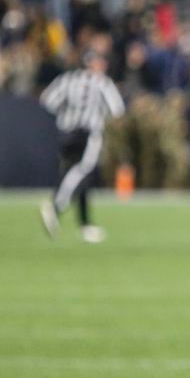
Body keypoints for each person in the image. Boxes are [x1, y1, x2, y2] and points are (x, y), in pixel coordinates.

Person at [39, 46, 126, 243]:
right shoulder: (102, 82)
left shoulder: (67, 79)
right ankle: (55, 206)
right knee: (83, 171)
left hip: (66, 133)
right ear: (93, 63)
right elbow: (117, 110)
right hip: (89, 134)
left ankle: (85, 223)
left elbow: (47, 101)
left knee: (79, 179)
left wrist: (67, 113)